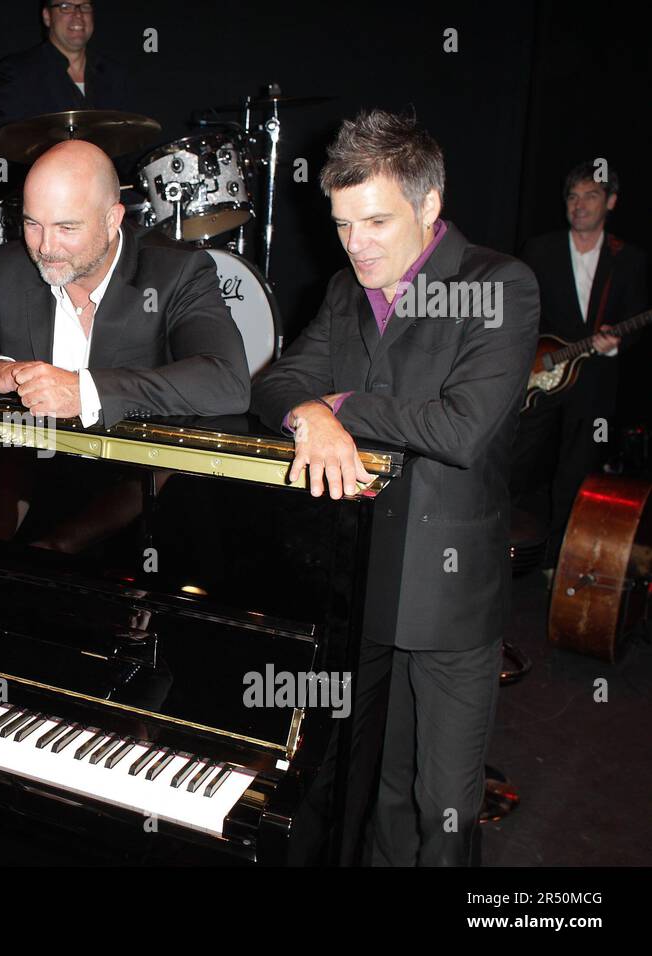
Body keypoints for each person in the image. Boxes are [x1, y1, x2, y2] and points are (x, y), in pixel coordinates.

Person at [250, 109, 540, 866]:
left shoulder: (499, 283)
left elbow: (462, 429)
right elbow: (275, 381)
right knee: (366, 794)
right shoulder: (347, 292)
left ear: (430, 204)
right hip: (358, 585)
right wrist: (306, 411)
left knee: (443, 812)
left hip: (449, 599)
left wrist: (340, 405)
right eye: (343, 225)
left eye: (375, 221)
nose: (356, 245)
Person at [0, 139, 249, 428]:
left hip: (135, 477)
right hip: (31, 469)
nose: (45, 247)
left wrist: (85, 391)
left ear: (112, 219)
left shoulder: (175, 272)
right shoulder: (7, 268)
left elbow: (226, 382)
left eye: (66, 228)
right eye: (32, 224)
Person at [515, 163, 648, 567]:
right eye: (573, 196)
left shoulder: (628, 259)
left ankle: (556, 562)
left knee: (576, 472)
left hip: (593, 379)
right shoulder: (540, 250)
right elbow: (520, 309)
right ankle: (492, 542)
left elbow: (636, 318)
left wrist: (613, 345)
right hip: (541, 371)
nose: (579, 204)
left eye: (591, 195)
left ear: (611, 202)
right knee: (517, 456)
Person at [0, 1, 134, 188]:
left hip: (105, 198)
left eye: (84, 6)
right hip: (48, 198)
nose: (78, 14)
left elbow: (130, 143)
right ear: (47, 16)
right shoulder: (19, 71)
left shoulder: (113, 74)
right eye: (66, 6)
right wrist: (24, 193)